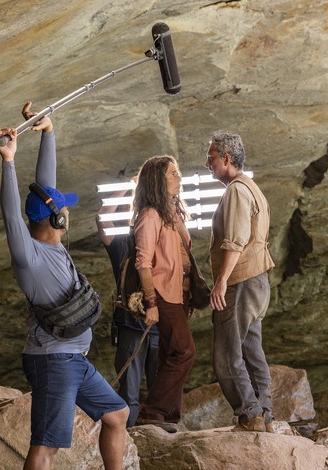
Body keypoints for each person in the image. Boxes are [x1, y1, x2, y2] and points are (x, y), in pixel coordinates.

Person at [0, 102, 160, 470]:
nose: (66, 211)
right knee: (45, 446)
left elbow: (43, 189)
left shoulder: (51, 240)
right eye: (62, 209)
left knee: (116, 413)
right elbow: (13, 214)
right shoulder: (28, 255)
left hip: (73, 359)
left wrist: (47, 132)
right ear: (56, 220)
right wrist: (7, 163)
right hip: (52, 360)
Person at [205, 131, 276, 432]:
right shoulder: (252, 188)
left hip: (241, 280)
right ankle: (265, 412)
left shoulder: (235, 190)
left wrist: (221, 281)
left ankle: (250, 414)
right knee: (251, 349)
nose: (207, 163)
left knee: (227, 354)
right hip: (258, 281)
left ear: (227, 159)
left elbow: (235, 242)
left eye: (211, 158)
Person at [131, 155, 196, 433]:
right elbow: (143, 263)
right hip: (163, 294)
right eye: (173, 174)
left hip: (179, 294)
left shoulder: (171, 213)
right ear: (158, 180)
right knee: (185, 352)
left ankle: (170, 416)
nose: (179, 178)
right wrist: (151, 303)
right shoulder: (149, 216)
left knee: (170, 353)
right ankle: (152, 411)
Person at [95, 199, 160, 428]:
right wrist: (124, 188)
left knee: (160, 388)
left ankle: (161, 435)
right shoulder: (121, 244)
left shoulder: (161, 240)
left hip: (160, 326)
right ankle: (128, 436)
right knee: (129, 393)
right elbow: (103, 217)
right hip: (131, 326)